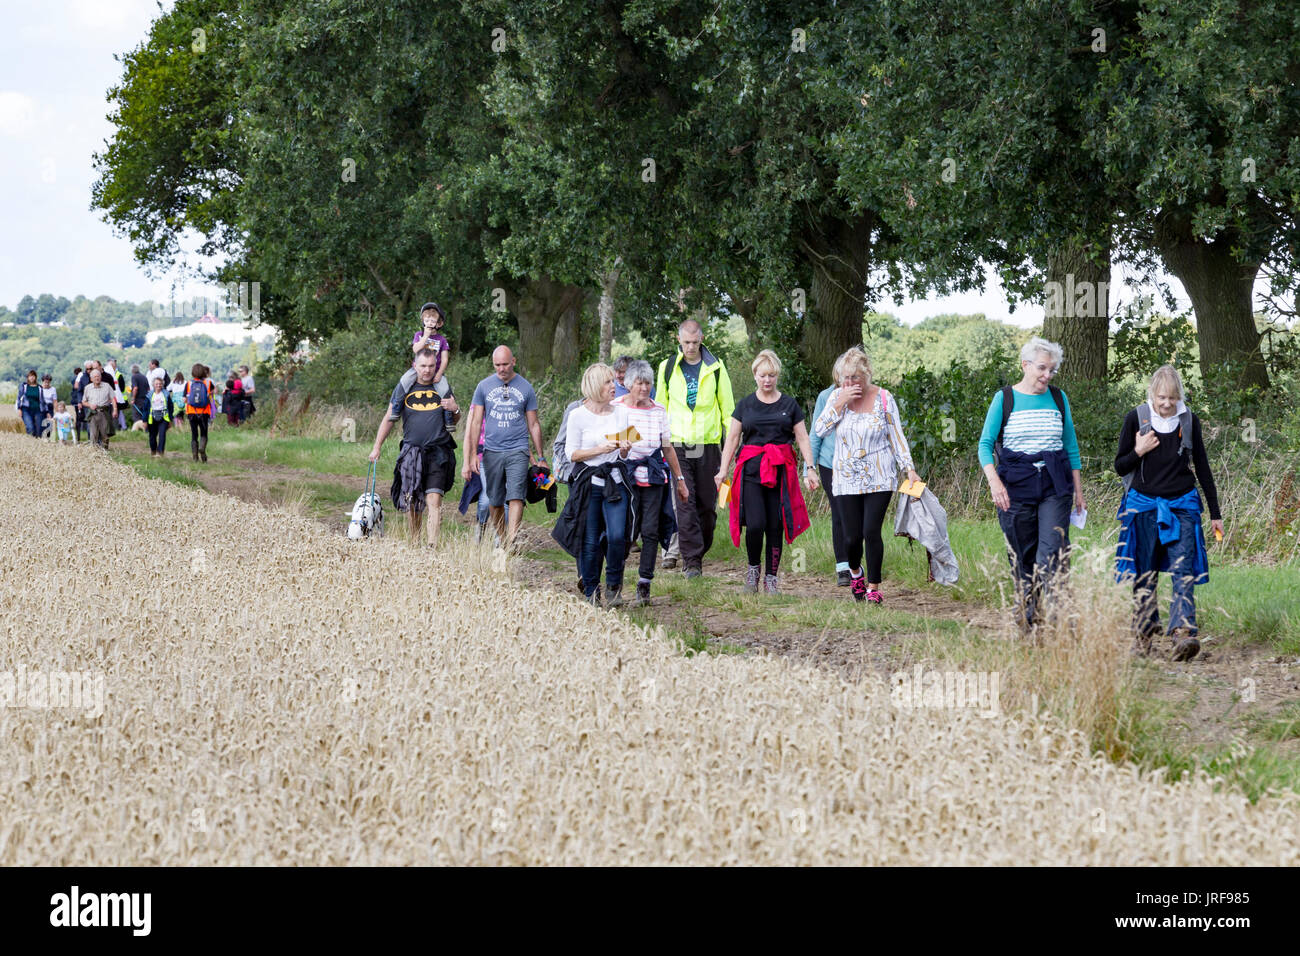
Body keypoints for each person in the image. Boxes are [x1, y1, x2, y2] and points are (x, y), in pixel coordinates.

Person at [1115, 365, 1223, 661]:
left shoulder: (1189, 421)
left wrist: (1215, 512)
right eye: (1162, 397)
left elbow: (1202, 467)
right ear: (1152, 394)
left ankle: (1182, 634)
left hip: (1183, 504)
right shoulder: (1136, 418)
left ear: (1179, 397)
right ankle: (1144, 634)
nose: (1166, 404)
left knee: (1182, 569)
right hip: (1143, 505)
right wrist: (1138, 451)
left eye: (1172, 398)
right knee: (1144, 573)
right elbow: (1120, 466)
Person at [979, 337, 1085, 632]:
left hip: (1055, 486)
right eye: (1041, 368)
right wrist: (994, 483)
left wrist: (1079, 491)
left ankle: (1057, 620)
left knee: (1050, 553)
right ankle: (1029, 613)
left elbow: (1071, 447)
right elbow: (985, 445)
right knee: (1023, 556)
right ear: (1025, 365)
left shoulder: (1059, 398)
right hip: (1015, 486)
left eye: (1051, 370)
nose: (1046, 376)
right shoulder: (1005, 399)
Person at [814, 347, 921, 605]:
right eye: (845, 378)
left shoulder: (884, 398)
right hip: (846, 477)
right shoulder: (835, 399)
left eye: (855, 378)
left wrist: (910, 469)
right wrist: (840, 403)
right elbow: (820, 429)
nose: (850, 383)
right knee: (851, 537)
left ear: (867, 375)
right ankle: (855, 572)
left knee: (871, 531)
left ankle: (873, 587)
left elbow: (896, 436)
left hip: (880, 475)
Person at [716, 350, 818, 594]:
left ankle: (771, 578)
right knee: (755, 525)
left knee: (775, 525)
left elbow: (803, 438)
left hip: (780, 472)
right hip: (751, 472)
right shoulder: (745, 405)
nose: (767, 380)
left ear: (777, 376)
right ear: (755, 376)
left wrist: (810, 468)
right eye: (762, 375)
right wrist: (722, 470)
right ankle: (753, 572)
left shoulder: (789, 405)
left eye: (771, 375)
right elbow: (732, 439)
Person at [655, 318, 736, 578]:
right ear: (678, 340)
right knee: (685, 501)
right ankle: (691, 562)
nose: (690, 346)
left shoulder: (716, 367)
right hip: (677, 443)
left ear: (701, 339)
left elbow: (728, 409)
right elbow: (660, 406)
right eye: (686, 342)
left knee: (707, 507)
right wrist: (659, 442)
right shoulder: (666, 367)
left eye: (694, 341)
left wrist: (731, 448)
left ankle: (699, 550)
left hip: (708, 443)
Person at [552, 364, 633, 606]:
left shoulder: (621, 412)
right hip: (588, 483)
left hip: (615, 480)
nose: (614, 387)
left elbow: (624, 454)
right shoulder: (577, 414)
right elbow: (571, 454)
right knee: (590, 540)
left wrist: (625, 450)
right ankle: (590, 590)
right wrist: (600, 449)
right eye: (608, 382)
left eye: (613, 382)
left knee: (618, 535)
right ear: (596, 386)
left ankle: (613, 584)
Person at [368, 347, 461, 546]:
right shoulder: (405, 389)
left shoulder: (442, 387)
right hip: (412, 452)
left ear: (436, 366)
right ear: (414, 366)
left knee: (434, 501)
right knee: (413, 503)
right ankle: (414, 543)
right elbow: (389, 418)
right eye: (423, 366)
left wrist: (456, 409)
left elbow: (455, 418)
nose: (427, 370)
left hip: (438, 452)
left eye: (431, 366)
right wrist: (377, 447)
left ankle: (431, 546)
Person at [615, 360, 689, 605]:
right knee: (625, 533)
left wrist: (680, 480)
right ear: (628, 385)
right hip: (624, 480)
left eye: (648, 383)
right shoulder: (617, 408)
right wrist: (623, 452)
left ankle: (644, 583)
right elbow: (613, 449)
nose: (645, 388)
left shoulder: (658, 410)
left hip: (654, 478)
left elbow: (667, 448)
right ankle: (614, 582)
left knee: (650, 531)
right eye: (639, 383)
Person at [460, 346, 547, 551]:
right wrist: (472, 454)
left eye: (505, 364)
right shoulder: (483, 387)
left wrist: (540, 456)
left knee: (516, 495)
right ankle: (502, 537)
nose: (501, 369)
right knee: (494, 500)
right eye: (497, 365)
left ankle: (512, 538)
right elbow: (475, 422)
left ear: (514, 361)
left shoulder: (525, 387)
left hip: (518, 448)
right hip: (491, 451)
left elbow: (533, 424)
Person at [810, 377, 850, 586]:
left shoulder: (868, 396)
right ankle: (843, 566)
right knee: (839, 513)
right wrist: (810, 467)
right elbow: (816, 434)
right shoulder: (825, 397)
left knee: (856, 515)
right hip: (830, 464)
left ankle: (857, 562)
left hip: (856, 465)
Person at [400, 302, 452, 397]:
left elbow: (445, 359)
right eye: (427, 321)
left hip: (435, 370)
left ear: (439, 323)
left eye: (432, 321)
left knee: (445, 389)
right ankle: (395, 407)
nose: (429, 323)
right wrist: (425, 336)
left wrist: (439, 374)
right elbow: (415, 350)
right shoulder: (419, 335)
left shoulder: (442, 340)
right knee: (404, 381)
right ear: (423, 321)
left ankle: (448, 411)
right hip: (418, 369)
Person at [80, 366, 117, 449]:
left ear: (101, 377)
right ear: (91, 378)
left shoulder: (107, 386)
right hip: (93, 414)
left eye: (99, 376)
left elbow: (113, 399)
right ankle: (94, 453)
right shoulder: (87, 388)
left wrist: (115, 410)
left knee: (105, 435)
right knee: (93, 434)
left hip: (104, 412)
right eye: (95, 377)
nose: (97, 378)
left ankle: (105, 453)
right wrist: (90, 405)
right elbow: (83, 402)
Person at [185, 363, 215, 462]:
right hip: (204, 412)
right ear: (203, 372)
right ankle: (202, 448)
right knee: (203, 433)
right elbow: (211, 396)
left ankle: (194, 456)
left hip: (191, 412)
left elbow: (184, 399)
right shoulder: (208, 383)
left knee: (194, 434)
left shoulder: (189, 384)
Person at [145, 375, 174, 457]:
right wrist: (144, 420)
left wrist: (170, 419)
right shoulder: (149, 395)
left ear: (162, 385)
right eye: (157, 384)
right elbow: (145, 408)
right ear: (153, 385)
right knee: (152, 436)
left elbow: (171, 407)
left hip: (164, 417)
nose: (158, 385)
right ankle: (153, 451)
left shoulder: (166, 394)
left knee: (162, 435)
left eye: (160, 384)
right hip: (152, 418)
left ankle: (160, 452)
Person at [16, 370, 42, 437]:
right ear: (28, 377)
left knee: (38, 429)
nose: (32, 378)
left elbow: (42, 400)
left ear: (35, 377)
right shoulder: (24, 386)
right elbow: (19, 398)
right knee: (30, 427)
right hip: (26, 410)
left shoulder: (39, 387)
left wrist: (47, 411)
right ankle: (30, 443)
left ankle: (38, 445)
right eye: (30, 376)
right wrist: (19, 409)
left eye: (33, 376)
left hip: (37, 410)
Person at [71, 365, 90, 442]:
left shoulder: (75, 378)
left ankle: (78, 438)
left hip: (76, 401)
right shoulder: (82, 376)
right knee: (87, 419)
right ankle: (88, 438)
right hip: (80, 400)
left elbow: (75, 387)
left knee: (78, 420)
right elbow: (76, 387)